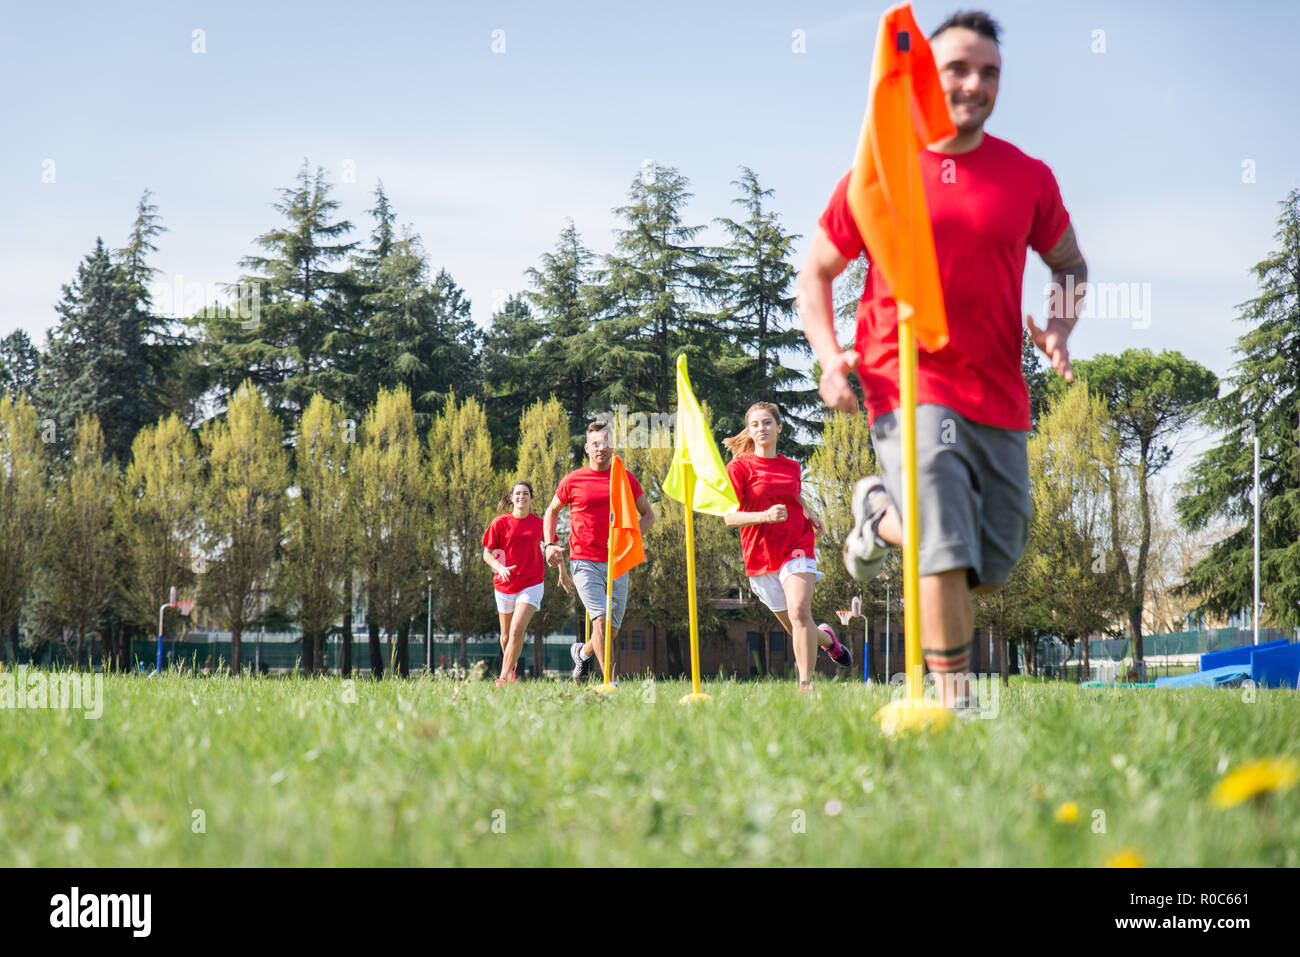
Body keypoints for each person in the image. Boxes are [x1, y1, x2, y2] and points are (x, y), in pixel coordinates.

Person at [796, 10, 1086, 708]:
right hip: (907, 381)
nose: (975, 84)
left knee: (993, 559)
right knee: (947, 546)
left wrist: (1056, 328)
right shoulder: (881, 169)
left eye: (989, 72)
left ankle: (875, 513)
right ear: (929, 74)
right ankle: (955, 703)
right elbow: (816, 272)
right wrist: (831, 355)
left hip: (1000, 394)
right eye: (958, 68)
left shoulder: (1027, 176)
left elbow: (1070, 264)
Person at [722, 402, 852, 692]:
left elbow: (794, 496)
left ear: (779, 427)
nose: (761, 429)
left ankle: (806, 686)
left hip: (797, 545)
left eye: (767, 423)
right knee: (797, 625)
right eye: (755, 424)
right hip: (760, 556)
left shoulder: (792, 466)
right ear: (750, 430)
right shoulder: (739, 467)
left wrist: (809, 513)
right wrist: (764, 516)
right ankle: (828, 640)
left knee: (798, 612)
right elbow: (729, 517)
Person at [543, 421, 655, 683]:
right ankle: (611, 684)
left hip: (618, 561)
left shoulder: (625, 479)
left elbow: (649, 515)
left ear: (612, 446)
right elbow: (551, 511)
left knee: (611, 632)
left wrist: (628, 539)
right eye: (595, 443)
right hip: (583, 560)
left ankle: (582, 653)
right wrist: (549, 544)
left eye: (606, 443)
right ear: (587, 448)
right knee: (601, 621)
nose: (601, 448)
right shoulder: (573, 479)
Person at [482, 480, 572, 686]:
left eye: (525, 494)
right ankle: (511, 672)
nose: (521, 497)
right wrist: (500, 568)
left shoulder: (539, 524)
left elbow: (554, 547)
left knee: (516, 630)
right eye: (517, 494)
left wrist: (562, 571)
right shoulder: (499, 523)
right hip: (504, 585)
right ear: (511, 498)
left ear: (531, 498)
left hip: (531, 584)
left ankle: (502, 678)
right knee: (505, 637)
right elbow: (487, 554)